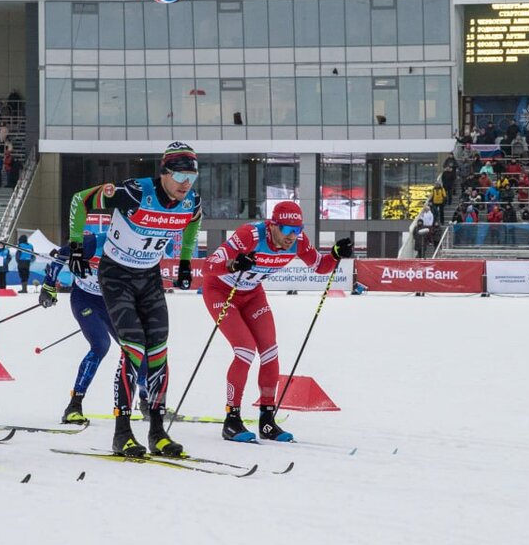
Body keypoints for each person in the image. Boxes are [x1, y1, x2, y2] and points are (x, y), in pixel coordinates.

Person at [67, 141, 202, 458]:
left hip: (149, 277)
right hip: (116, 276)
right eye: (180, 175)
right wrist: (75, 247)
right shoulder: (134, 192)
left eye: (192, 177)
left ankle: (157, 431)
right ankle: (122, 432)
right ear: (164, 173)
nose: (186, 184)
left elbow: (195, 220)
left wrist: (184, 261)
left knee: (158, 349)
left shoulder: (191, 201)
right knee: (134, 347)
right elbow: (79, 200)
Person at [201, 201, 350, 443]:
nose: (293, 236)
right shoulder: (249, 235)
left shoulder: (298, 242)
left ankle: (267, 421)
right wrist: (233, 264)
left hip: (252, 294)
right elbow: (208, 266)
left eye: (297, 229)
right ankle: (232, 420)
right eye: (287, 230)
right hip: (221, 290)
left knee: (270, 351)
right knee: (245, 350)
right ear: (272, 226)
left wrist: (335, 254)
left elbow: (321, 266)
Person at [39, 213, 127, 424]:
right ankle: (74, 405)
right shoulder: (93, 242)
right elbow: (60, 255)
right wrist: (49, 286)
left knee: (133, 348)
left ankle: (145, 399)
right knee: (101, 345)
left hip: (110, 303)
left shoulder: (132, 249)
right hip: (84, 299)